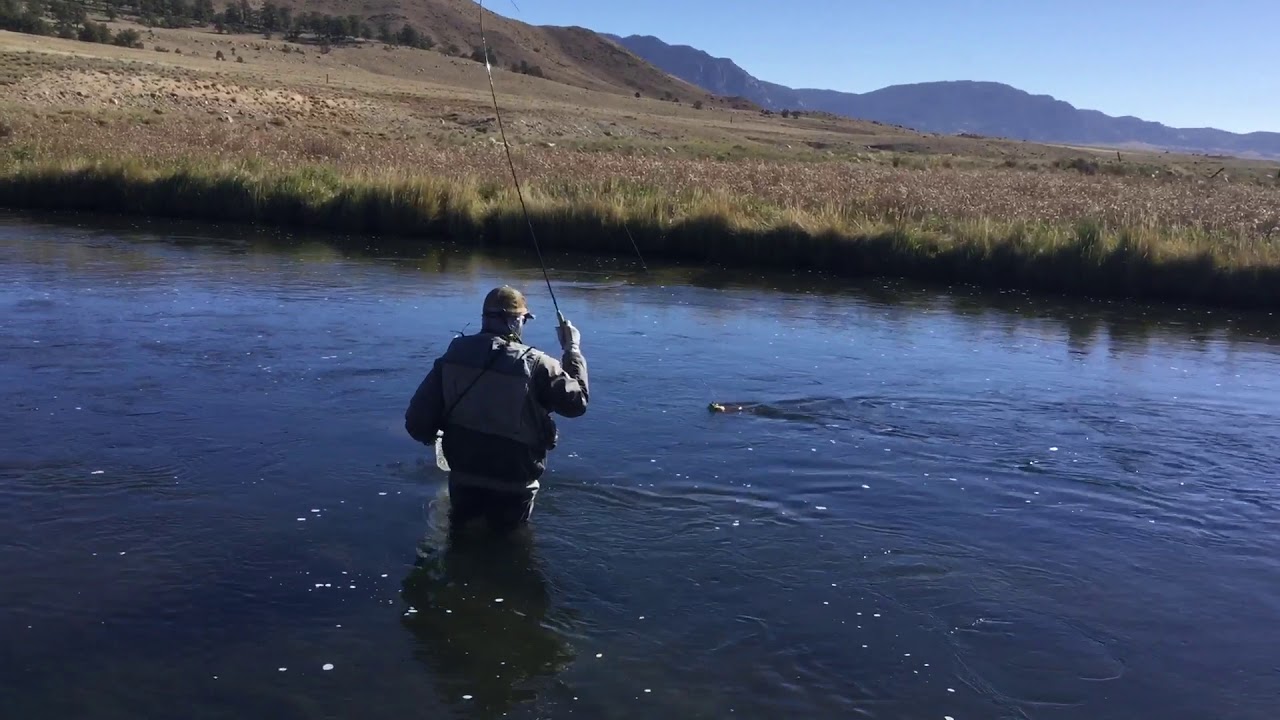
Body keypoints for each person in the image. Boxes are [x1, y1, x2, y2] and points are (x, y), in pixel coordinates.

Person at [404, 285, 588, 534]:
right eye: (524, 319)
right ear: (514, 321)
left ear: (485, 318)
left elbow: (417, 423)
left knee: (460, 542)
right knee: (510, 543)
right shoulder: (539, 364)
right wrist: (572, 350)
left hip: (464, 478)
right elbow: (577, 404)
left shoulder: (453, 355)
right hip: (514, 485)